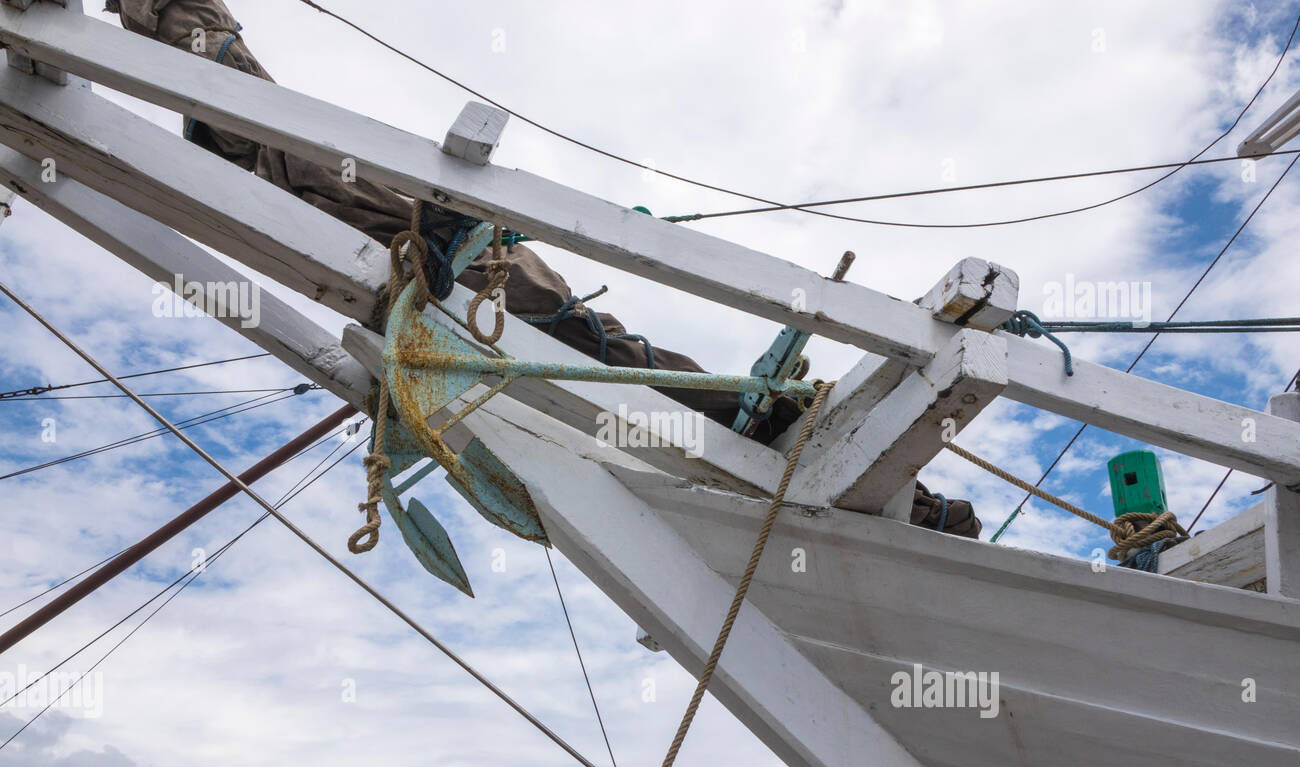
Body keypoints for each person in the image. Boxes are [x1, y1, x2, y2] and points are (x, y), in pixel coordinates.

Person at [104, 0, 981, 538]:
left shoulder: (449, 245)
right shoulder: (409, 227)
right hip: (469, 281)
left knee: (297, 158)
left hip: (482, 283)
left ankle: (787, 422)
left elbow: (273, 139)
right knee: (286, 156)